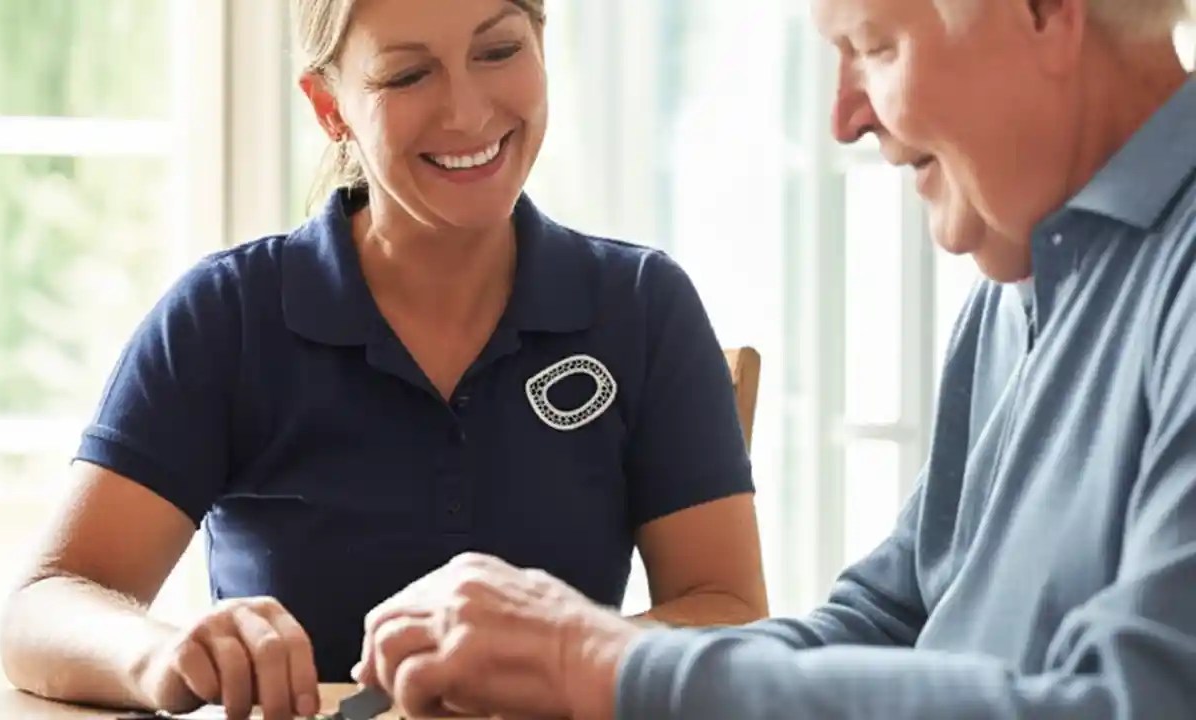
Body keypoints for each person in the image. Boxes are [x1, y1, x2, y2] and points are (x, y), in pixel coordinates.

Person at [351, 0, 1196, 717]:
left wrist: (602, 664)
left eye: (875, 49)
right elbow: (887, 620)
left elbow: (1138, 702)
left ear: (1045, 11)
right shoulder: (1020, 282)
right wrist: (572, 661)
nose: (845, 119)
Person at [0, 1, 769, 718]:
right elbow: (46, 604)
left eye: (498, 51)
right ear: (329, 107)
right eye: (407, 74)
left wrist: (568, 654)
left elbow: (729, 610)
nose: (468, 111)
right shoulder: (227, 315)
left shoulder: (642, 305)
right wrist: (164, 655)